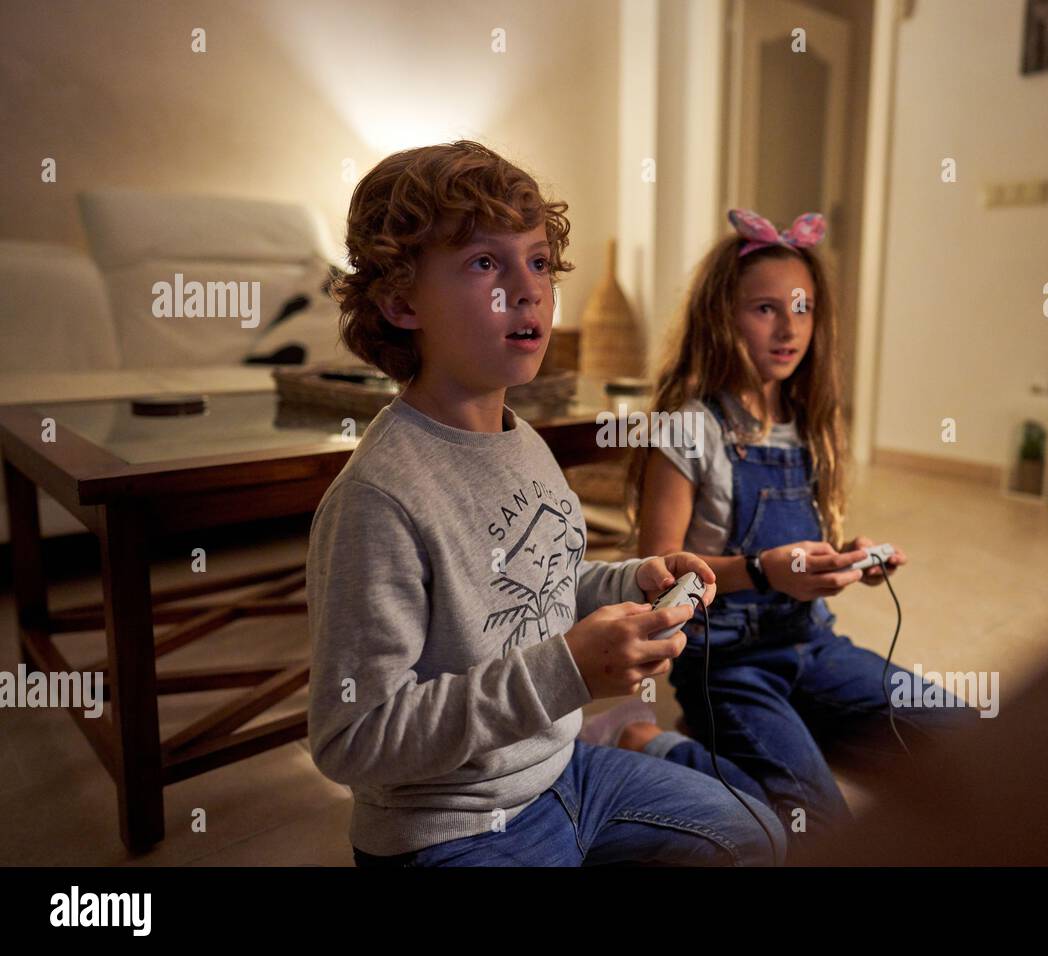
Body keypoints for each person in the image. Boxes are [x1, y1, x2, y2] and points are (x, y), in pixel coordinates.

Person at [306, 143, 783, 867]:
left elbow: (540, 582)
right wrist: (563, 672)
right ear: (402, 302)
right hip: (449, 827)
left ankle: (627, 750)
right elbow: (353, 739)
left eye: (537, 262)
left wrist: (634, 580)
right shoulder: (379, 499)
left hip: (563, 775)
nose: (528, 290)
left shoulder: (521, 439)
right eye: (484, 263)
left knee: (760, 837)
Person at [627, 209, 977, 859]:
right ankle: (660, 748)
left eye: (802, 308)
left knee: (975, 746)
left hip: (815, 649)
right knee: (818, 832)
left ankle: (801, 732)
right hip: (727, 668)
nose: (789, 328)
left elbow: (805, 556)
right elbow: (655, 579)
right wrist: (760, 569)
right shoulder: (688, 429)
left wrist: (847, 561)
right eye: (765, 309)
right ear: (721, 316)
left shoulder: (811, 424)